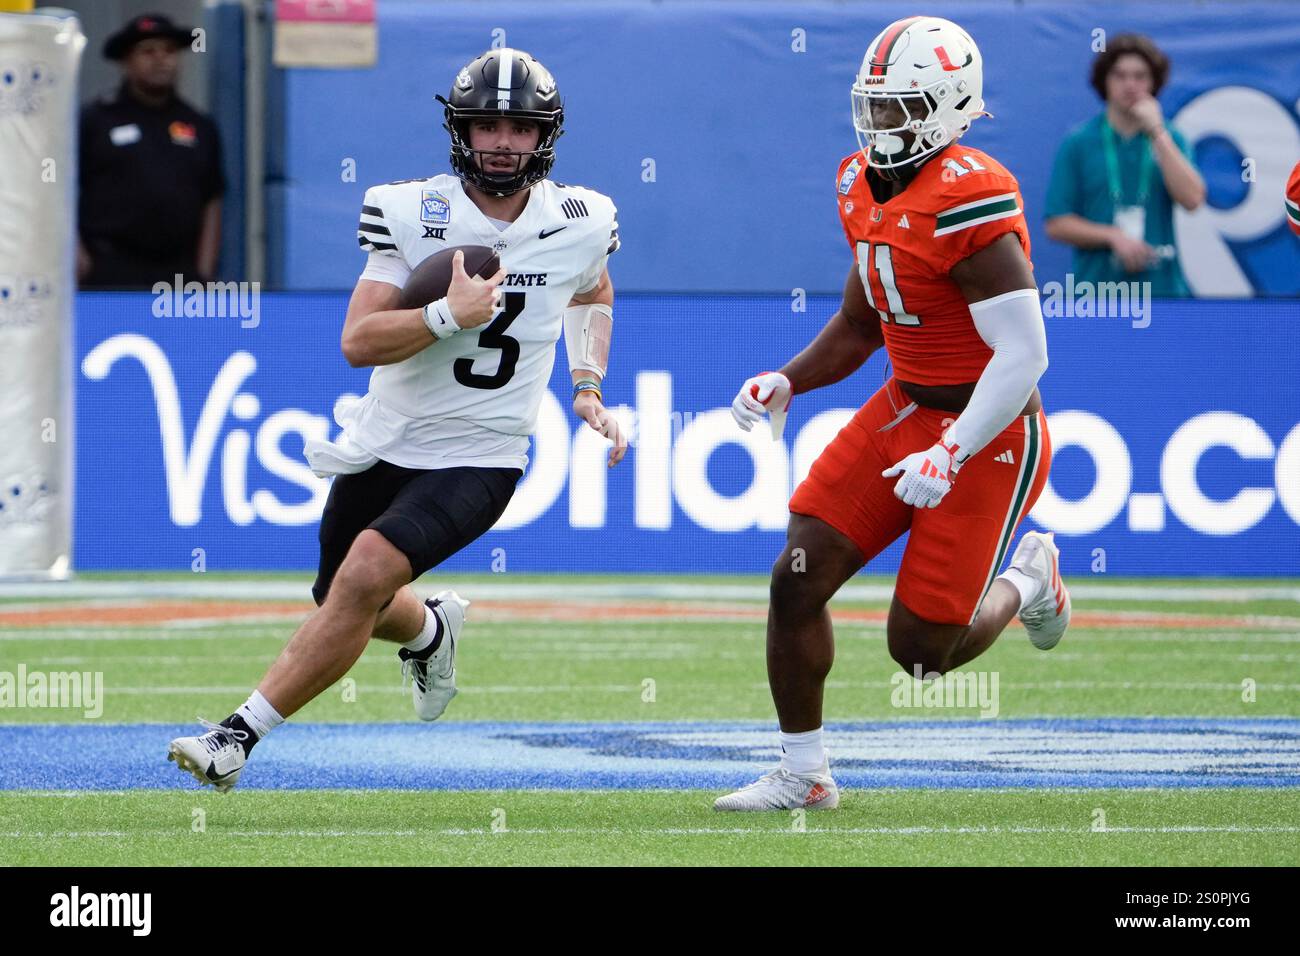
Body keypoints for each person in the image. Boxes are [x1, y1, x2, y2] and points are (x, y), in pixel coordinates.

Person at [167, 48, 625, 791]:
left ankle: (235, 737)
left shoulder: (582, 218)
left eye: (518, 125)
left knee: (366, 574)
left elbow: (593, 290)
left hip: (484, 449)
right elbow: (357, 342)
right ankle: (431, 630)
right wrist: (448, 314)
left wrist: (587, 386)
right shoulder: (413, 210)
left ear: (546, 133)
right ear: (460, 130)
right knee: (340, 597)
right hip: (387, 438)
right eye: (486, 124)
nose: (502, 140)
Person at [715, 16, 1069, 812]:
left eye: (898, 108)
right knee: (795, 578)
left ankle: (1029, 579)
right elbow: (862, 320)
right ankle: (805, 775)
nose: (877, 126)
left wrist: (952, 454)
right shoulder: (857, 182)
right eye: (871, 107)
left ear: (947, 108)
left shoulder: (969, 199)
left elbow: (1023, 357)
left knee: (920, 656)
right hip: (904, 406)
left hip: (991, 431)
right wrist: (790, 380)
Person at [1044, 33, 1204, 297]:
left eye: (1140, 76)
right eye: (1119, 75)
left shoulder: (1170, 137)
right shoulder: (1079, 141)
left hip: (1163, 294)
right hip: (1095, 295)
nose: (1130, 85)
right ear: (1104, 81)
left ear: (1154, 83)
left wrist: (1156, 131)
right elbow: (1056, 223)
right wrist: (1112, 236)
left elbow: (1192, 199)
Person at [78, 13, 224, 289]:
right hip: (109, 268)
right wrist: (75, 254)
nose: (161, 60)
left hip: (179, 273)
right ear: (125, 61)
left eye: (169, 51)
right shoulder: (94, 120)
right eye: (148, 51)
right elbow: (60, 190)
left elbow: (212, 199)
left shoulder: (199, 125)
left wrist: (204, 271)